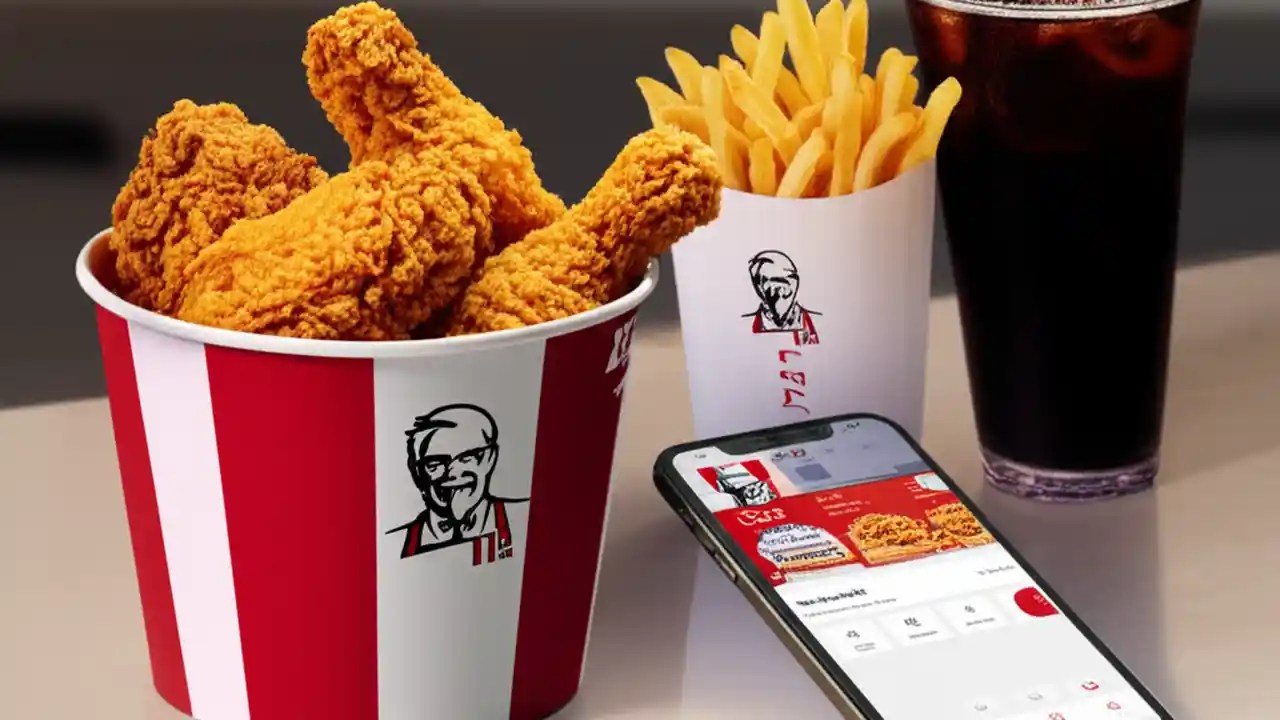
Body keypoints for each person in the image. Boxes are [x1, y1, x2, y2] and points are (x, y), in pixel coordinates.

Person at [388, 404, 515, 564]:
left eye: (466, 457)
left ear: (489, 459)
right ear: (417, 473)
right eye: (435, 464)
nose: (453, 472)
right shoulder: (393, 545)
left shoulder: (522, 523)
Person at [744, 250, 820, 341]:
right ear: (759, 288)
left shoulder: (816, 322)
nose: (786, 291)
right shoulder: (744, 326)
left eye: (791, 279)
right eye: (777, 284)